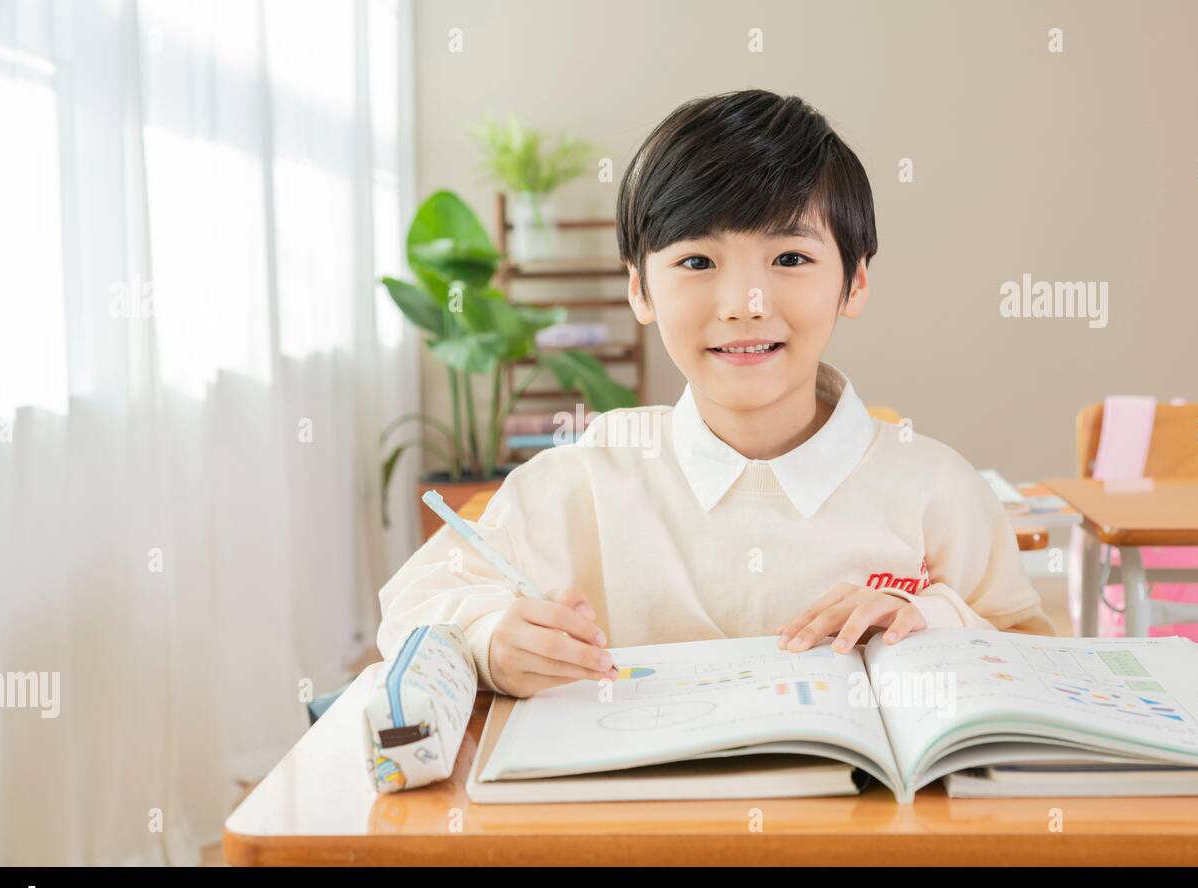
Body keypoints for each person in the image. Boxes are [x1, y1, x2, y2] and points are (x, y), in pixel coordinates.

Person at [377, 89, 1055, 698]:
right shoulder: (581, 481)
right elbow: (413, 605)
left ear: (855, 282)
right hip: (640, 830)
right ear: (640, 288)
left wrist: (931, 617)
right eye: (697, 262)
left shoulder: (934, 487)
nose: (745, 304)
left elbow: (1034, 652)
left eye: (790, 258)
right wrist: (492, 639)